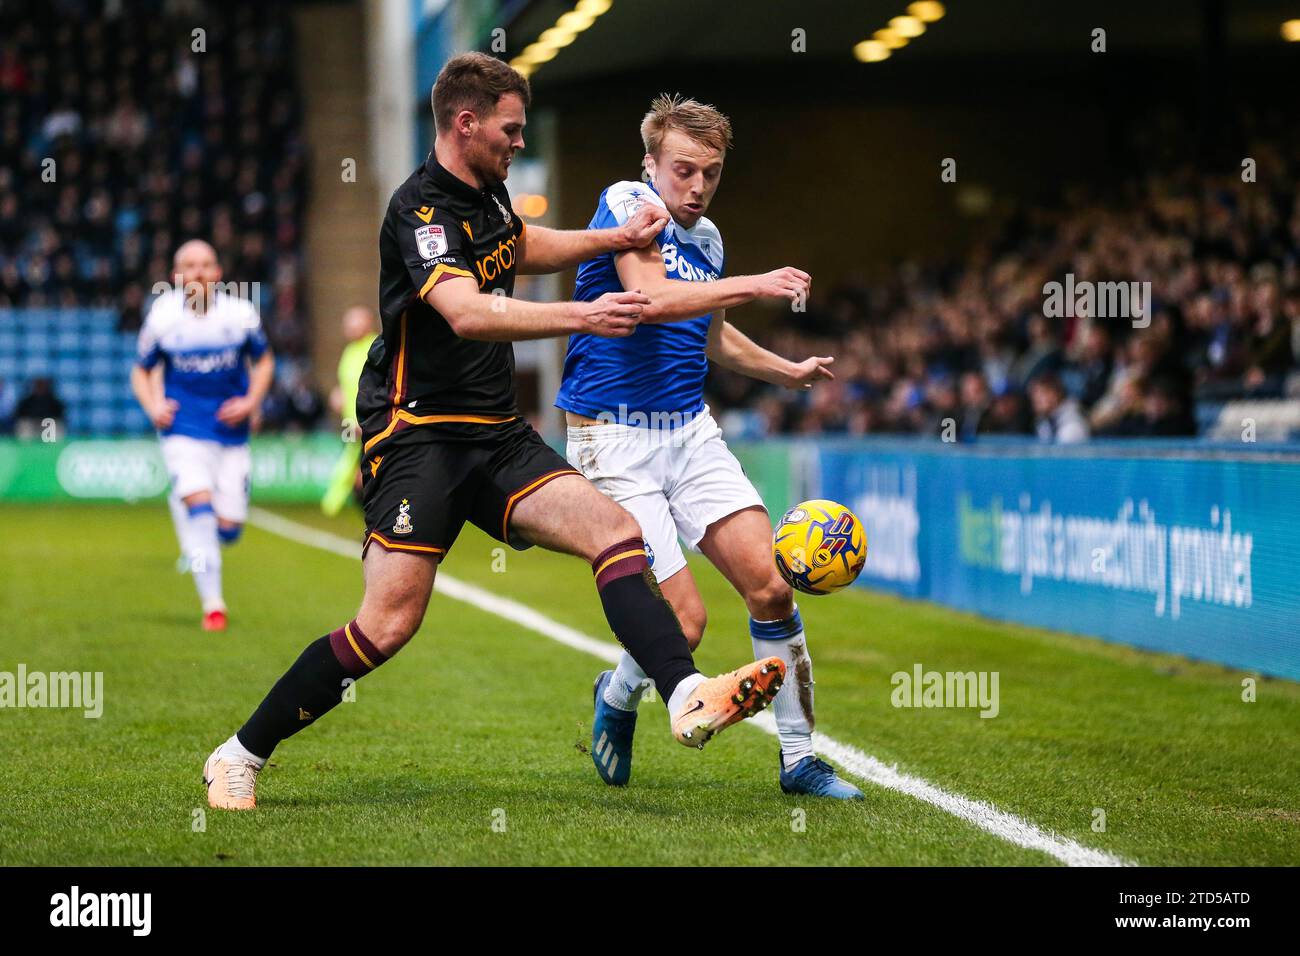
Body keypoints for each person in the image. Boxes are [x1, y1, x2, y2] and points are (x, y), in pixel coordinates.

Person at [202, 54, 786, 811]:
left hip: (497, 435)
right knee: (388, 622)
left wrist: (604, 244)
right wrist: (586, 314)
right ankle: (239, 754)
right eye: (510, 130)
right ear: (465, 123)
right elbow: (469, 311)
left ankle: (682, 696)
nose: (518, 142)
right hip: (418, 437)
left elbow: (521, 246)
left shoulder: (489, 193)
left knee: (616, 533)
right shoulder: (420, 212)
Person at [558, 94, 862, 799]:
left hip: (688, 430)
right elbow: (653, 298)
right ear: (652, 165)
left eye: (711, 174)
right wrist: (758, 283)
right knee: (686, 624)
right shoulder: (628, 202)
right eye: (684, 170)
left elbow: (711, 332)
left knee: (770, 584)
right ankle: (620, 696)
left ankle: (798, 759)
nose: (696, 187)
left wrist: (783, 370)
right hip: (612, 436)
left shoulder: (710, 240)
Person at [130, 239, 274, 631]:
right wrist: (154, 407)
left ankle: (192, 508)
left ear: (217, 273)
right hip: (184, 430)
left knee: (227, 529)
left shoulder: (239, 313)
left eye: (205, 265)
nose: (197, 272)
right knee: (200, 509)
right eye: (189, 266)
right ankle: (213, 605)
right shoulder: (163, 316)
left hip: (231, 433)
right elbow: (140, 370)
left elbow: (264, 362)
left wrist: (250, 402)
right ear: (177, 276)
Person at [320, 305, 377, 516]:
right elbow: (349, 383)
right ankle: (336, 503)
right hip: (349, 422)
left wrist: (368, 420)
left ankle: (338, 504)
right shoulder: (350, 351)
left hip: (366, 423)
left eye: (353, 322)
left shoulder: (374, 348)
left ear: (367, 322)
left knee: (365, 470)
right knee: (350, 462)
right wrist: (338, 393)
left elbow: (378, 387)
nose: (348, 327)